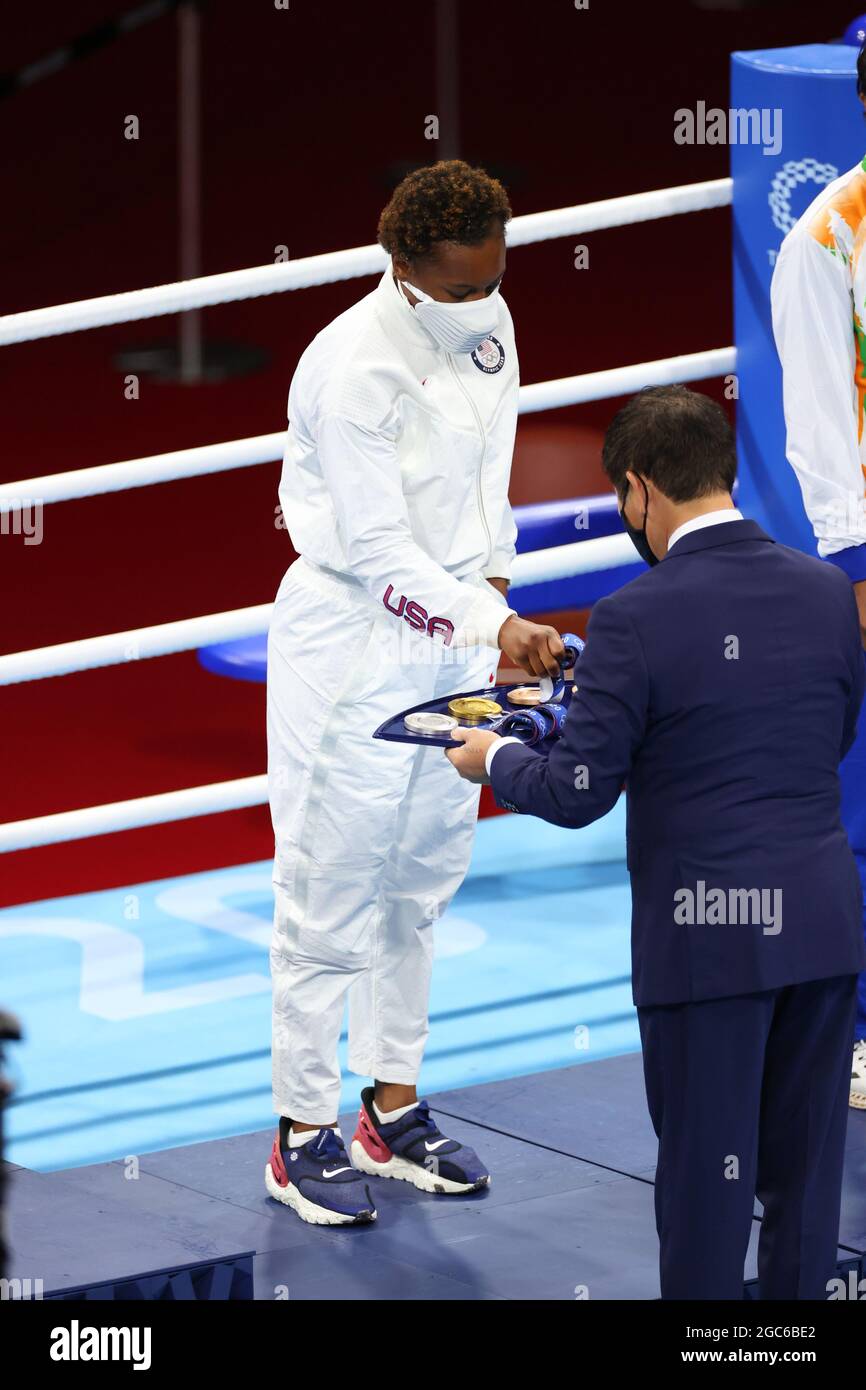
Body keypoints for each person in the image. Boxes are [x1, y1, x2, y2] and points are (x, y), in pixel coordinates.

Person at [448, 385, 865, 1300]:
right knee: (804, 1191)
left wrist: (492, 759)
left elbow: (575, 792)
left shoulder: (636, 616)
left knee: (706, 1196)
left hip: (707, 946)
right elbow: (822, 734)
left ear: (639, 490)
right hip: (825, 930)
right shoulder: (831, 590)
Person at [265, 159, 564, 1226]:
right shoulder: (349, 371)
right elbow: (385, 553)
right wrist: (498, 626)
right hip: (352, 640)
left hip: (458, 637)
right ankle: (297, 1131)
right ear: (400, 268)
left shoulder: (490, 317)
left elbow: (492, 482)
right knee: (328, 885)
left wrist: (491, 608)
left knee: (421, 876)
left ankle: (388, 1111)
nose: (477, 302)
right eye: (453, 287)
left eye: (491, 279)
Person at [770, 42, 866, 1111]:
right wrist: (848, 566)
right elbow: (812, 427)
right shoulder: (825, 236)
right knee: (859, 812)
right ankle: (850, 1028)